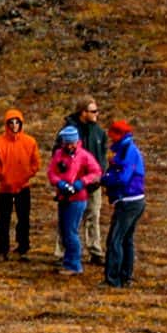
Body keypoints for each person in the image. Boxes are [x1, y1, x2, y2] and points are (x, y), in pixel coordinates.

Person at [0, 110, 43, 262]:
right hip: (5, 188)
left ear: (21, 123)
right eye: (11, 122)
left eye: (17, 122)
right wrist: (2, 175)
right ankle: (2, 249)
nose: (14, 125)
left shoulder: (29, 142)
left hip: (23, 187)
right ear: (6, 124)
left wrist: (26, 175)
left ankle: (23, 248)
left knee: (24, 219)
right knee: (3, 220)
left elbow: (36, 163)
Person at [47, 126, 103, 275]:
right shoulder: (59, 154)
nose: (70, 146)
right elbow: (51, 172)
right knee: (66, 231)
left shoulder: (84, 156)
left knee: (71, 231)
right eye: (67, 143)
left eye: (72, 142)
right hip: (63, 197)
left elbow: (96, 172)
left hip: (78, 199)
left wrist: (81, 182)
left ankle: (74, 265)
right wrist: (60, 183)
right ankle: (68, 261)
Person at [61, 97, 110, 263]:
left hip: (93, 183)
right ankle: (63, 252)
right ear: (83, 113)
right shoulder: (69, 131)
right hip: (72, 184)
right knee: (68, 219)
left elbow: (103, 158)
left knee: (93, 216)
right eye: (93, 111)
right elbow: (59, 156)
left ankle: (95, 251)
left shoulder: (99, 133)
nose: (97, 114)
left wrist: (99, 176)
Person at [99, 119, 146, 288]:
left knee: (115, 240)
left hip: (128, 202)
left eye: (113, 136)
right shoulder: (128, 150)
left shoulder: (128, 151)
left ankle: (113, 280)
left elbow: (124, 177)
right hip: (136, 201)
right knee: (126, 239)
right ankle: (126, 277)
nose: (111, 140)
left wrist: (106, 179)